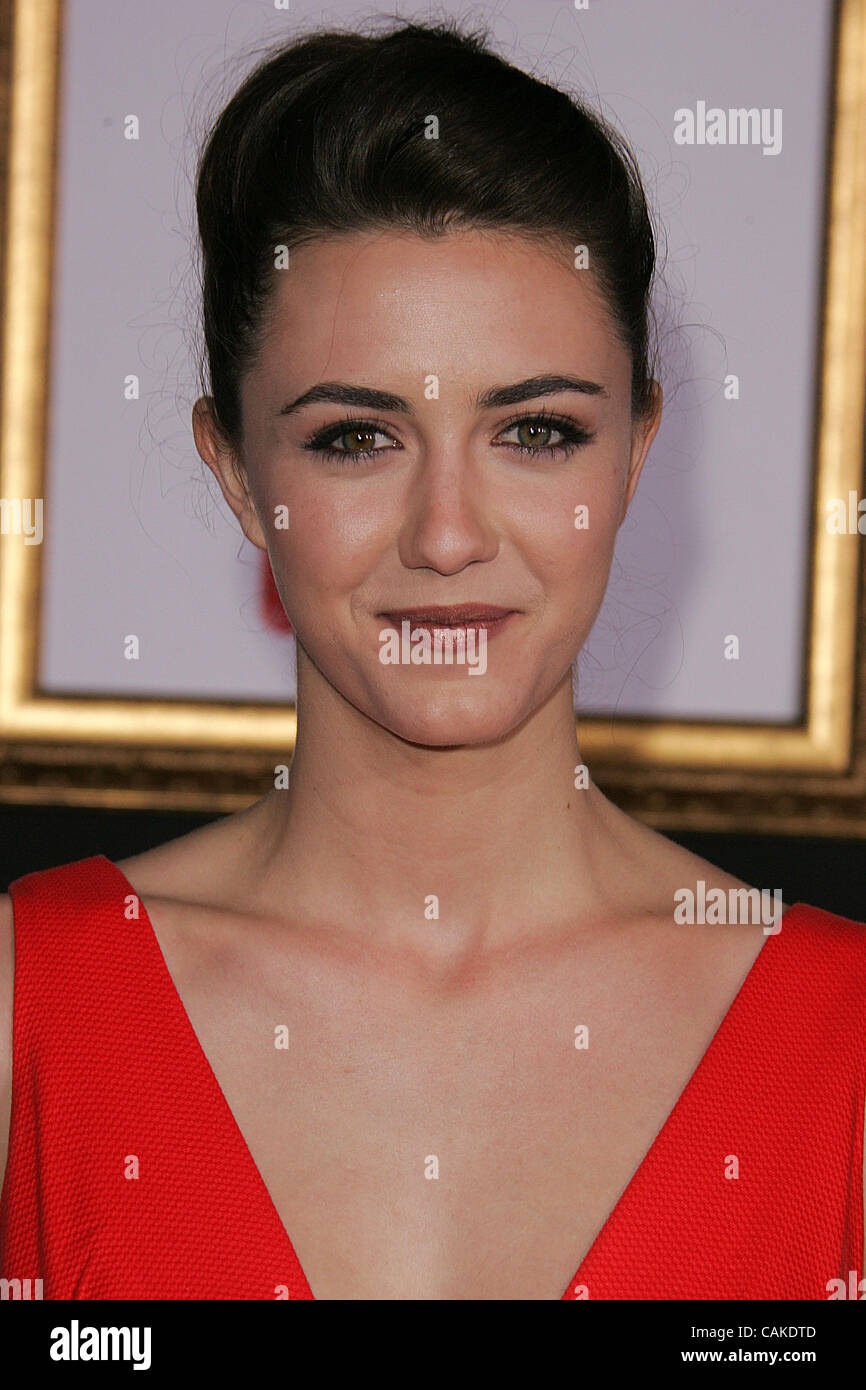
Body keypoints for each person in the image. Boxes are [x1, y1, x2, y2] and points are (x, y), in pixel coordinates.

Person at [0, 17, 863, 1302]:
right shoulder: (32, 1012)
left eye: (535, 430)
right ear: (236, 471)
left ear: (633, 453)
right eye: (355, 438)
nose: (448, 535)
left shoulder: (838, 1045)